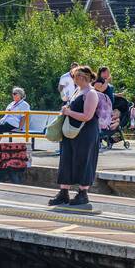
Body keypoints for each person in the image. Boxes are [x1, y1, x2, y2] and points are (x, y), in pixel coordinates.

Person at [51, 66, 100, 208]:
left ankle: (83, 193)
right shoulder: (78, 91)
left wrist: (68, 113)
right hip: (71, 132)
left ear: (82, 77)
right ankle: (63, 192)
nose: (73, 79)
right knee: (66, 159)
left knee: (84, 160)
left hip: (85, 133)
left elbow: (87, 116)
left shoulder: (91, 93)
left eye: (75, 77)